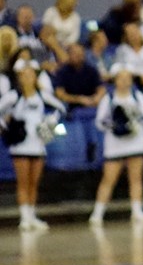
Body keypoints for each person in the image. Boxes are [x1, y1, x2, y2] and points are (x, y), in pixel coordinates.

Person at [1, 60, 66, 230]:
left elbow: (60, 108)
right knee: (23, 181)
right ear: (19, 77)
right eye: (25, 75)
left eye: (32, 75)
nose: (28, 78)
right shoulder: (14, 96)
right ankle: (24, 217)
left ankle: (32, 215)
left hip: (37, 144)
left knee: (34, 182)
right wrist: (6, 124)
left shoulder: (42, 95)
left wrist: (50, 122)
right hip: (20, 145)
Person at [89, 64, 143, 225]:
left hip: (136, 143)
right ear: (115, 80)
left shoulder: (138, 97)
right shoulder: (108, 99)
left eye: (128, 78)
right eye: (121, 78)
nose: (124, 81)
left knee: (136, 178)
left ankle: (137, 211)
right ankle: (98, 213)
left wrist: (133, 124)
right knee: (108, 178)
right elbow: (99, 122)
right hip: (115, 144)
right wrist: (115, 125)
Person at [51, 40, 104, 111]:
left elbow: (101, 87)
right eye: (74, 53)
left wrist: (97, 97)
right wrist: (79, 99)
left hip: (92, 105)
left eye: (80, 53)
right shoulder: (62, 72)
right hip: (71, 108)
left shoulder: (91, 70)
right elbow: (60, 94)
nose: (78, 56)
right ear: (69, 55)